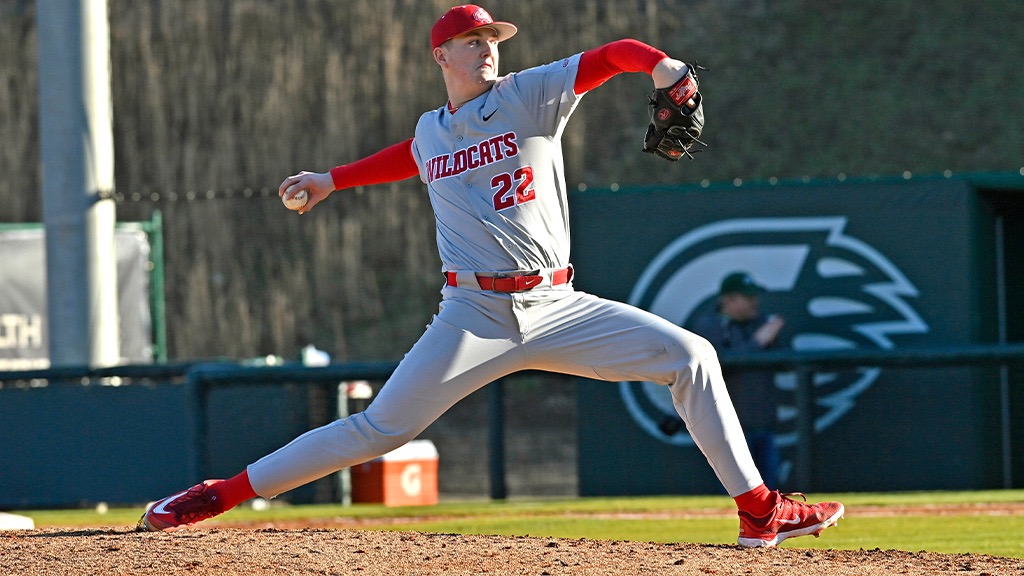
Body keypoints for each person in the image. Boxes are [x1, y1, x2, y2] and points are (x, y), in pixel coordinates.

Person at [138, 5, 843, 548]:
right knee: (380, 428)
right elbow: (410, 156)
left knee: (693, 357)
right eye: (473, 39)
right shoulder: (432, 129)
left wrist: (664, 66)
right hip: (471, 315)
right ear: (441, 54)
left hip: (558, 304)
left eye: (492, 38)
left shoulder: (528, 94)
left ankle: (759, 512)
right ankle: (215, 496)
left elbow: (610, 56)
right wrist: (331, 180)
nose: (487, 47)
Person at [689, 271, 786, 490]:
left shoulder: (760, 323)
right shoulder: (709, 325)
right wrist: (759, 340)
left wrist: (767, 337)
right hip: (726, 429)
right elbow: (718, 363)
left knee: (769, 493)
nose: (755, 303)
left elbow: (784, 360)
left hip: (763, 424)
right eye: (748, 298)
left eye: (755, 297)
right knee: (732, 496)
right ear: (728, 300)